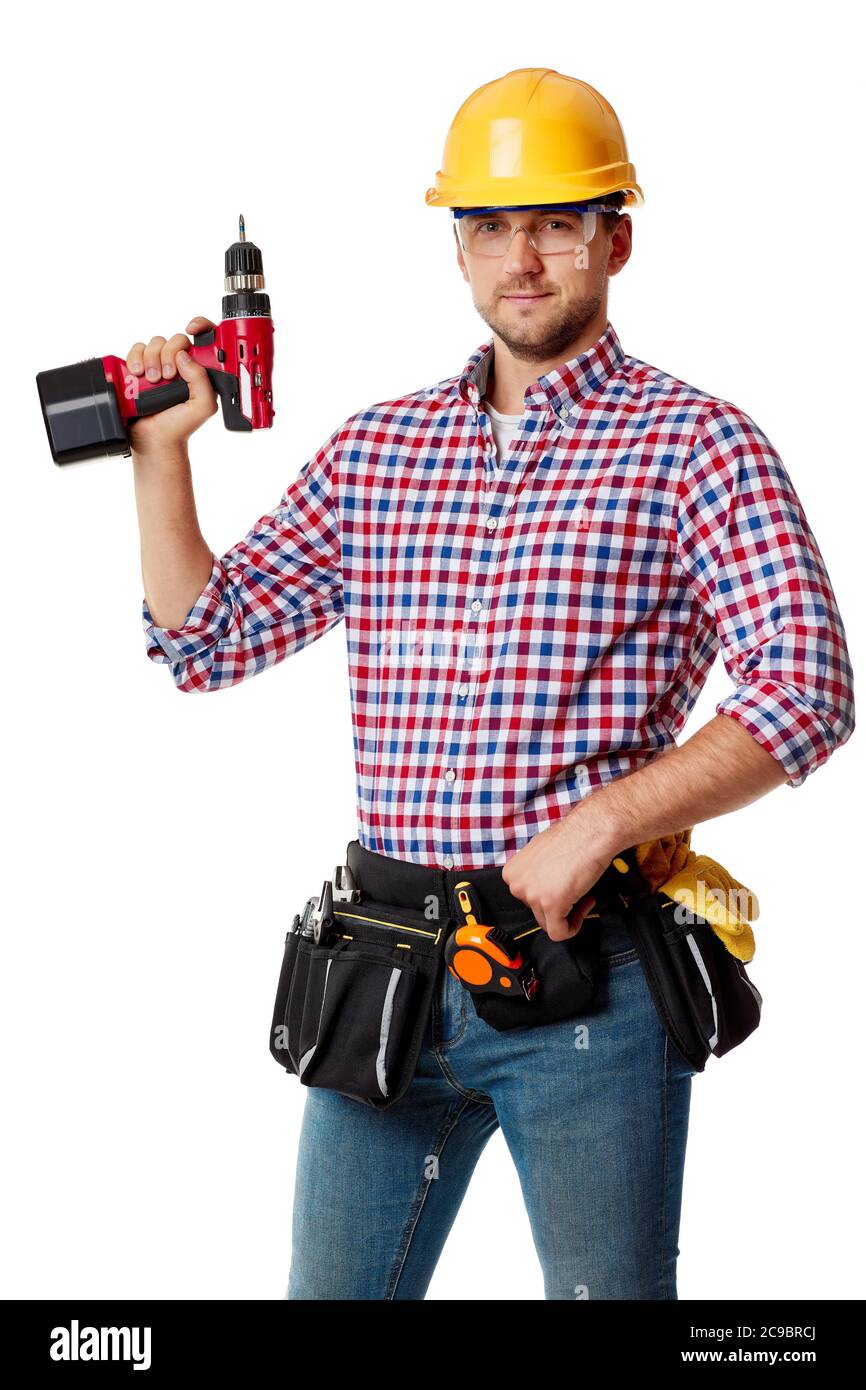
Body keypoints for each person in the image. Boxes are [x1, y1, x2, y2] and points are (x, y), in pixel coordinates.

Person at [130, 69, 855, 1299]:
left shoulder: (696, 446)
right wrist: (159, 457)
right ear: (456, 250)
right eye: (487, 226)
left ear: (612, 238)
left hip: (587, 981)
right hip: (383, 976)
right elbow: (208, 638)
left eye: (553, 221)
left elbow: (806, 687)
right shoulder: (381, 447)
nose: (519, 257)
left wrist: (602, 822)